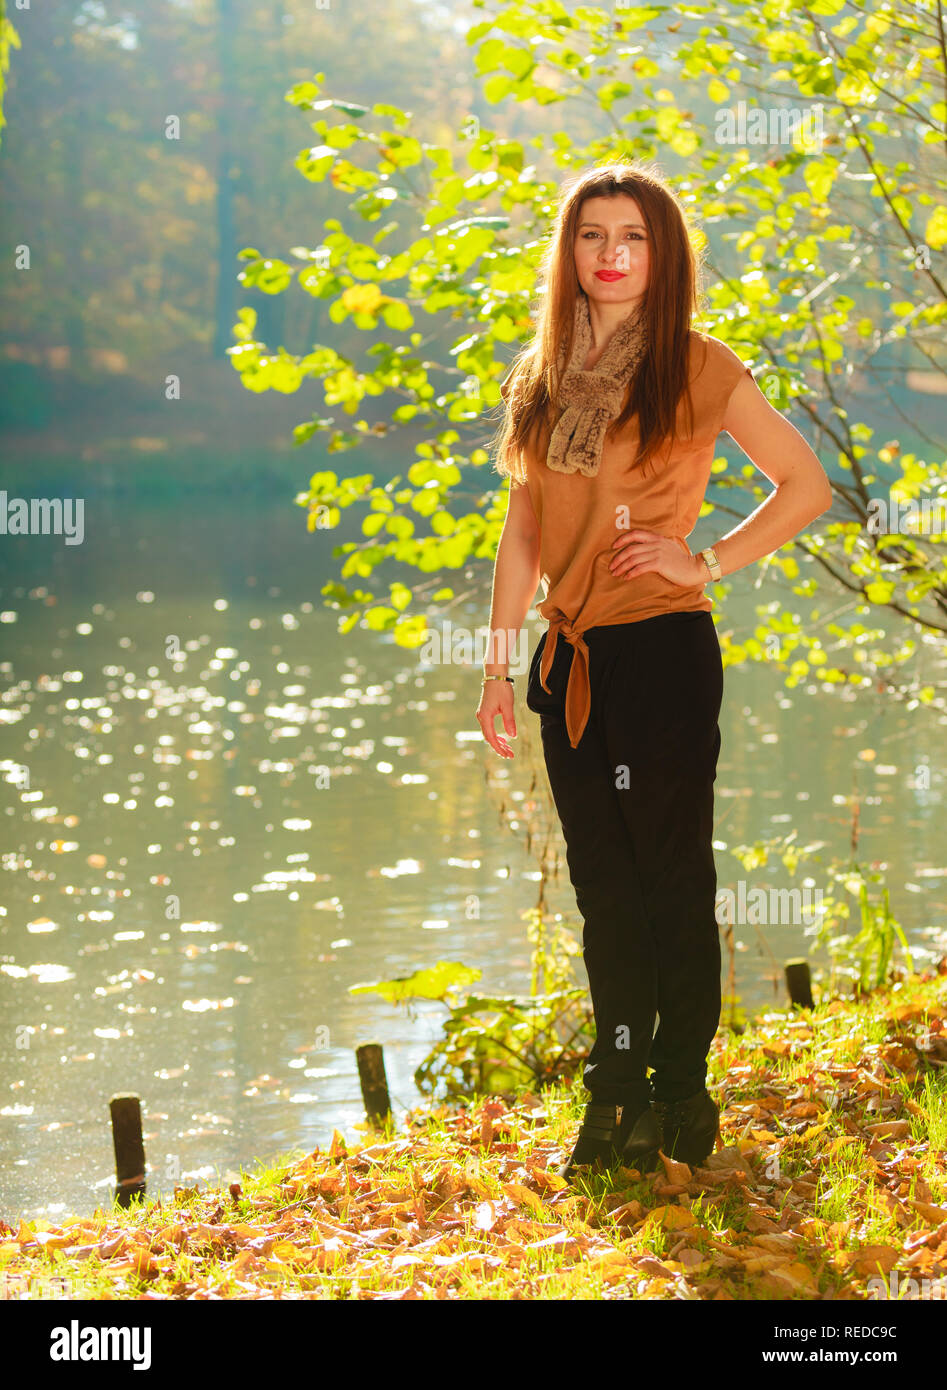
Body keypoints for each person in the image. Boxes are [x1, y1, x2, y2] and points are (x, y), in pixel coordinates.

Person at [477, 161, 833, 1182]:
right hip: (571, 661)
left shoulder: (698, 365)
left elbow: (801, 485)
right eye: (590, 235)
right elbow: (521, 531)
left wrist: (705, 557)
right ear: (569, 249)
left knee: (670, 879)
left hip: (664, 654)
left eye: (629, 236)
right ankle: (616, 1089)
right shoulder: (540, 373)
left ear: (661, 251)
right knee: (603, 891)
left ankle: (677, 1086)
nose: (608, 255)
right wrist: (498, 670)